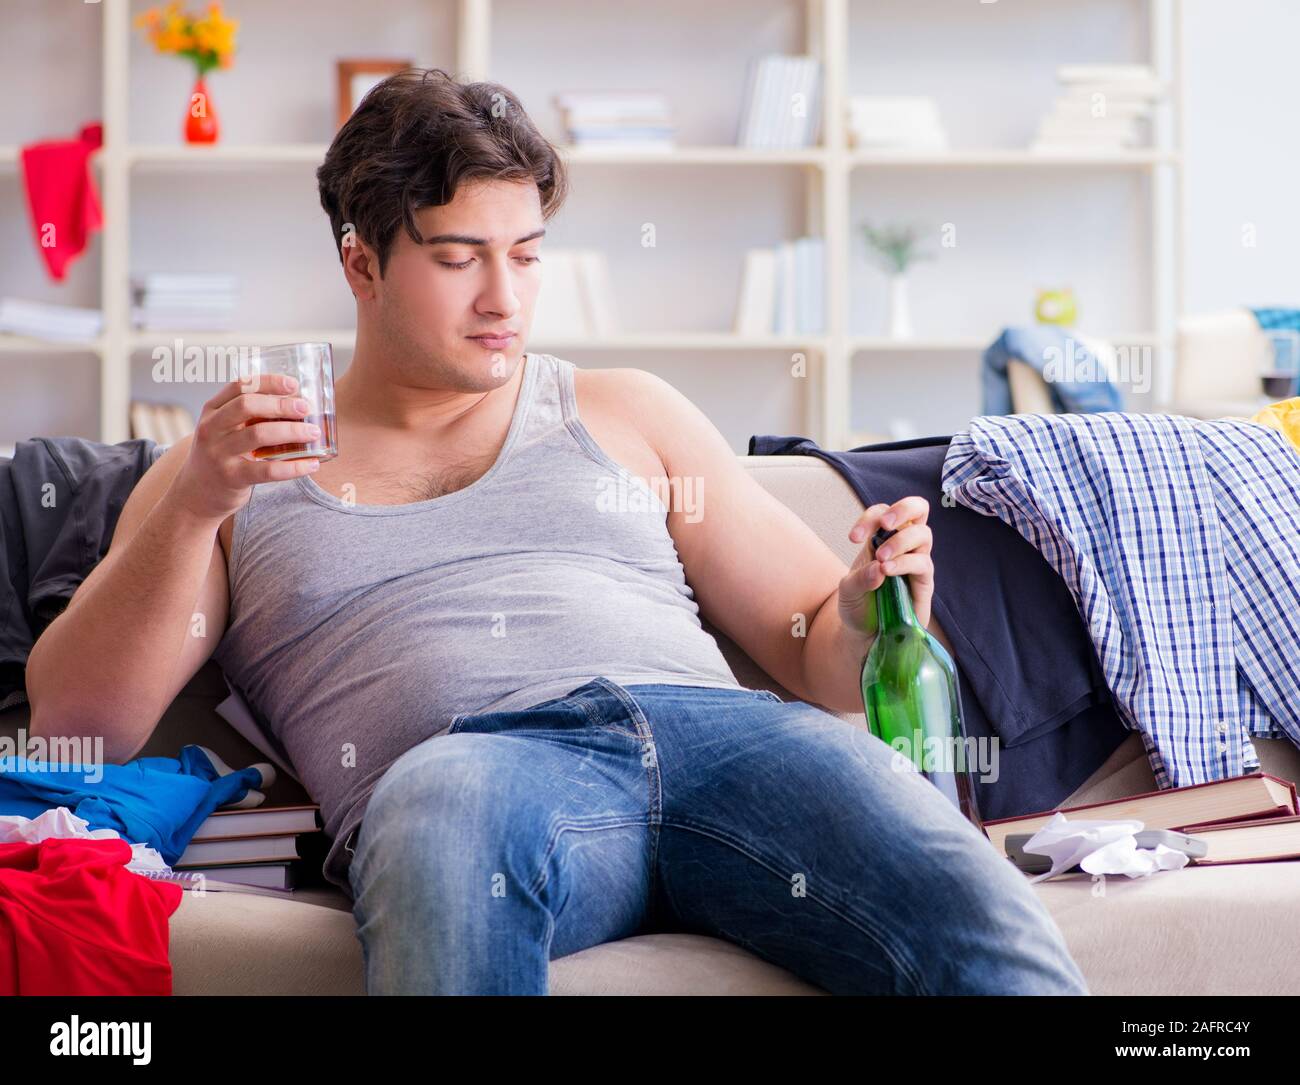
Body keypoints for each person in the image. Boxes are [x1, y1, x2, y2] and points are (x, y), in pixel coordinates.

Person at [25, 68, 1087, 996]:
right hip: (474, 769)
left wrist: (861, 601)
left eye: (526, 254)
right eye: (458, 258)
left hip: (735, 749)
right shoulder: (233, 466)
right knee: (442, 812)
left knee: (983, 919)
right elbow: (81, 720)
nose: (504, 298)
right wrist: (200, 500)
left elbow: (823, 658)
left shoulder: (625, 407)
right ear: (361, 264)